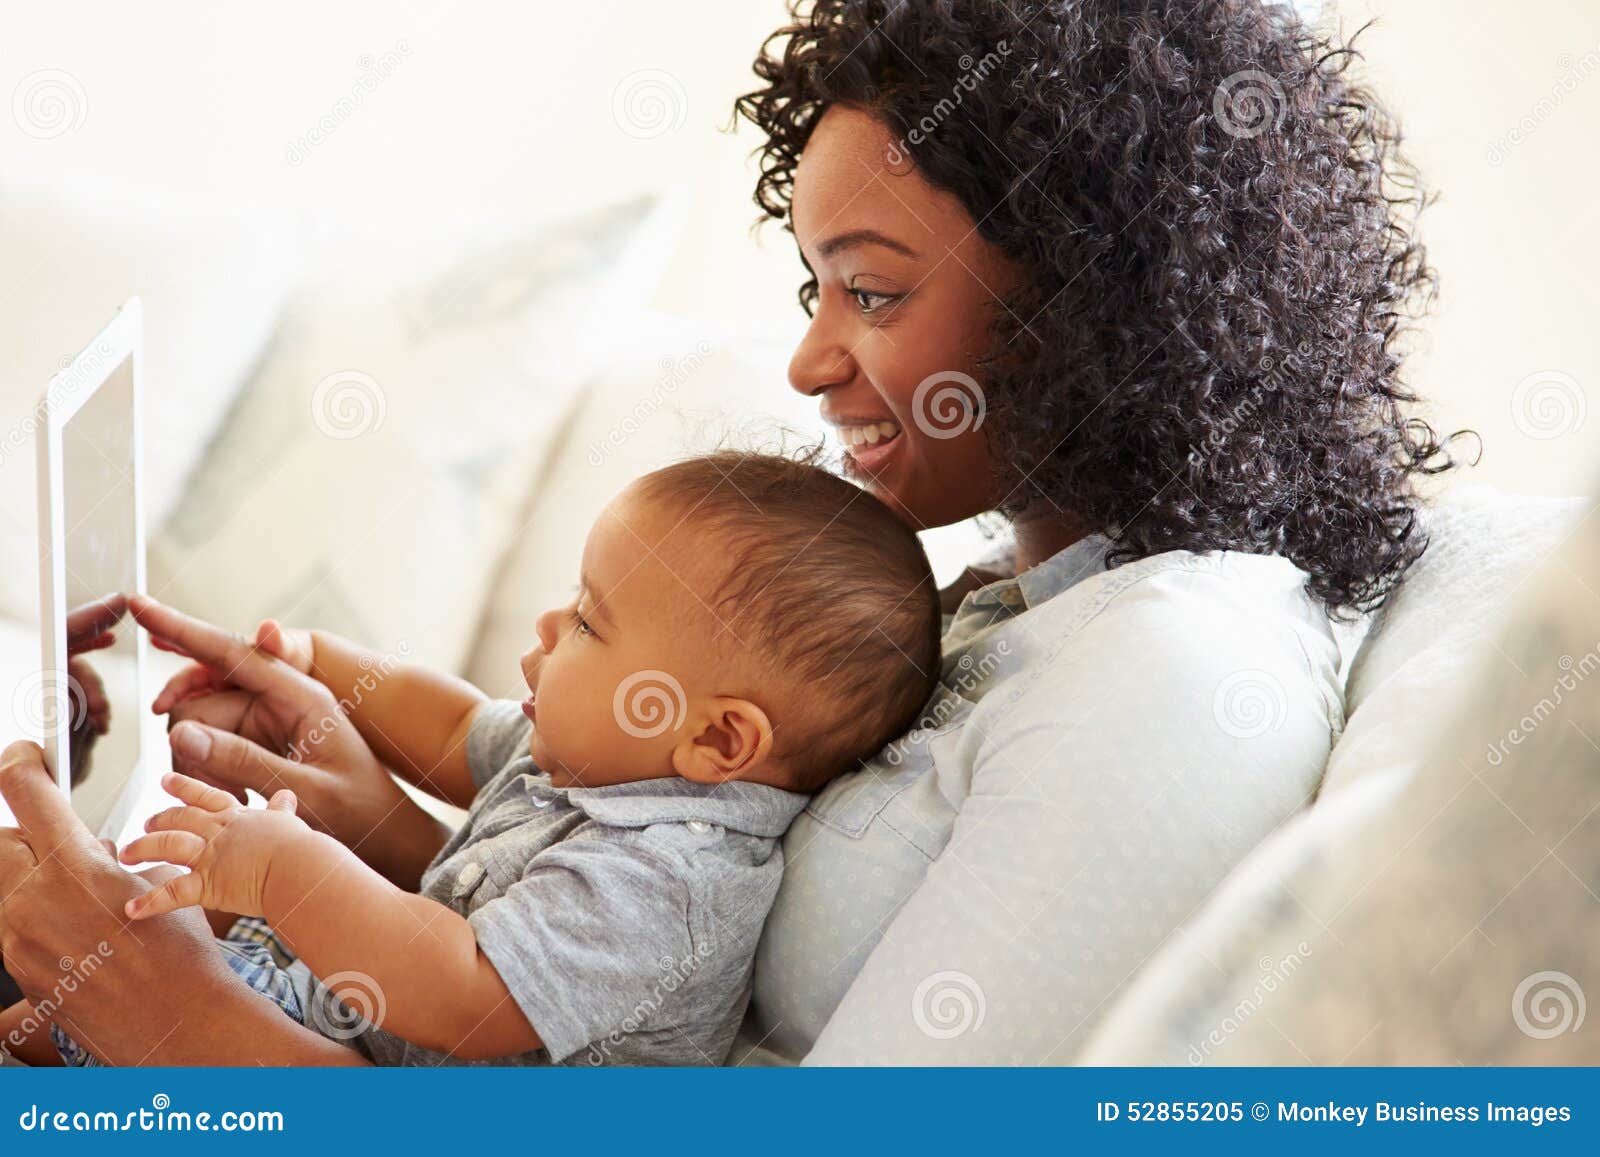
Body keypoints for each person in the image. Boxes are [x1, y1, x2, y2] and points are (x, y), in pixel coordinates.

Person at [0, 0, 1462, 1064]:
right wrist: (363, 810)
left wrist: (165, 1009)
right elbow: (568, 950)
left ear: (1091, 301)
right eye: (819, 290)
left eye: (873, 294)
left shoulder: (1172, 680)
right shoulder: (1016, 601)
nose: (810, 363)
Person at [8, 453, 939, 1067]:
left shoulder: (672, 882)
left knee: (51, 981)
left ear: (718, 740)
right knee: (40, 908)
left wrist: (288, 869)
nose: (548, 623)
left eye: (587, 619)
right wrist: (314, 657)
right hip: (317, 1014)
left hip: (336, 1052)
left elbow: (468, 989)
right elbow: (454, 727)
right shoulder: (603, 761)